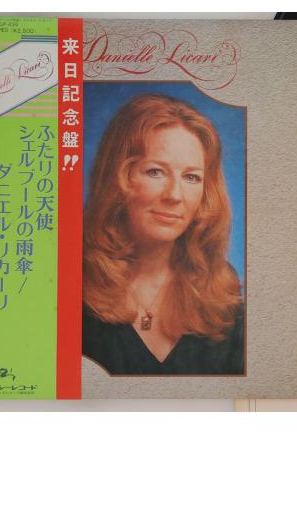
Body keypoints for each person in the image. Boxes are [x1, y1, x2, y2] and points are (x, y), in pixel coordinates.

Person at [82, 94, 244, 375]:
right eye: (155, 172)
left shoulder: (222, 291)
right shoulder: (68, 285)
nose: (175, 195)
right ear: (117, 178)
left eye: (191, 177)